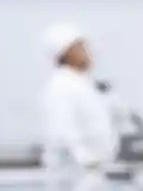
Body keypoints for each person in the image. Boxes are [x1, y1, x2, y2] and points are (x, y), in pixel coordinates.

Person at [39, 22, 119, 172]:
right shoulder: (61, 86)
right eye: (80, 47)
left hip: (94, 170)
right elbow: (61, 134)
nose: (87, 52)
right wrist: (86, 162)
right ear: (66, 53)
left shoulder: (82, 84)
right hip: (76, 173)